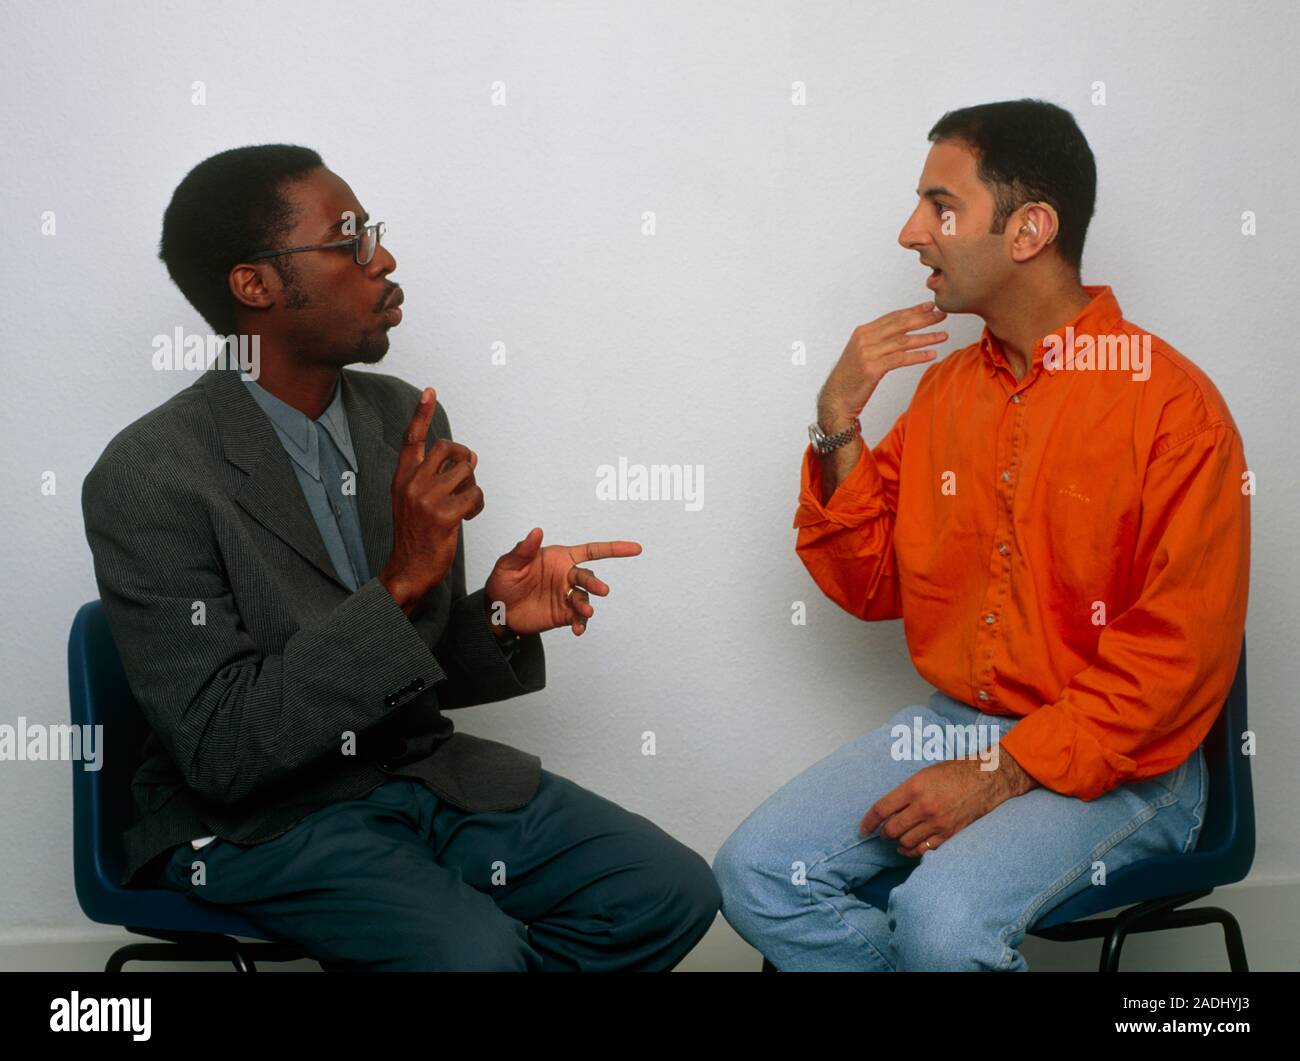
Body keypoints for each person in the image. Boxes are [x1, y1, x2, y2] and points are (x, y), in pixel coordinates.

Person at [81, 144, 719, 971]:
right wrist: (401, 580)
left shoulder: (403, 418)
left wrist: (493, 616)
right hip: (256, 819)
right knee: (474, 958)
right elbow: (223, 749)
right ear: (256, 285)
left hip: (418, 774)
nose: (382, 259)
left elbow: (408, 671)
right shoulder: (148, 475)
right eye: (347, 239)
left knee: (667, 890)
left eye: (371, 232)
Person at [712, 99, 1249, 971]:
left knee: (942, 920)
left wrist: (1001, 773)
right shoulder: (946, 393)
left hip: (1134, 764)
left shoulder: (1172, 409)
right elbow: (870, 584)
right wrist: (836, 419)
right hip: (959, 723)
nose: (909, 233)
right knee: (760, 872)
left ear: (1030, 229)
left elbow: (1176, 660)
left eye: (940, 205)